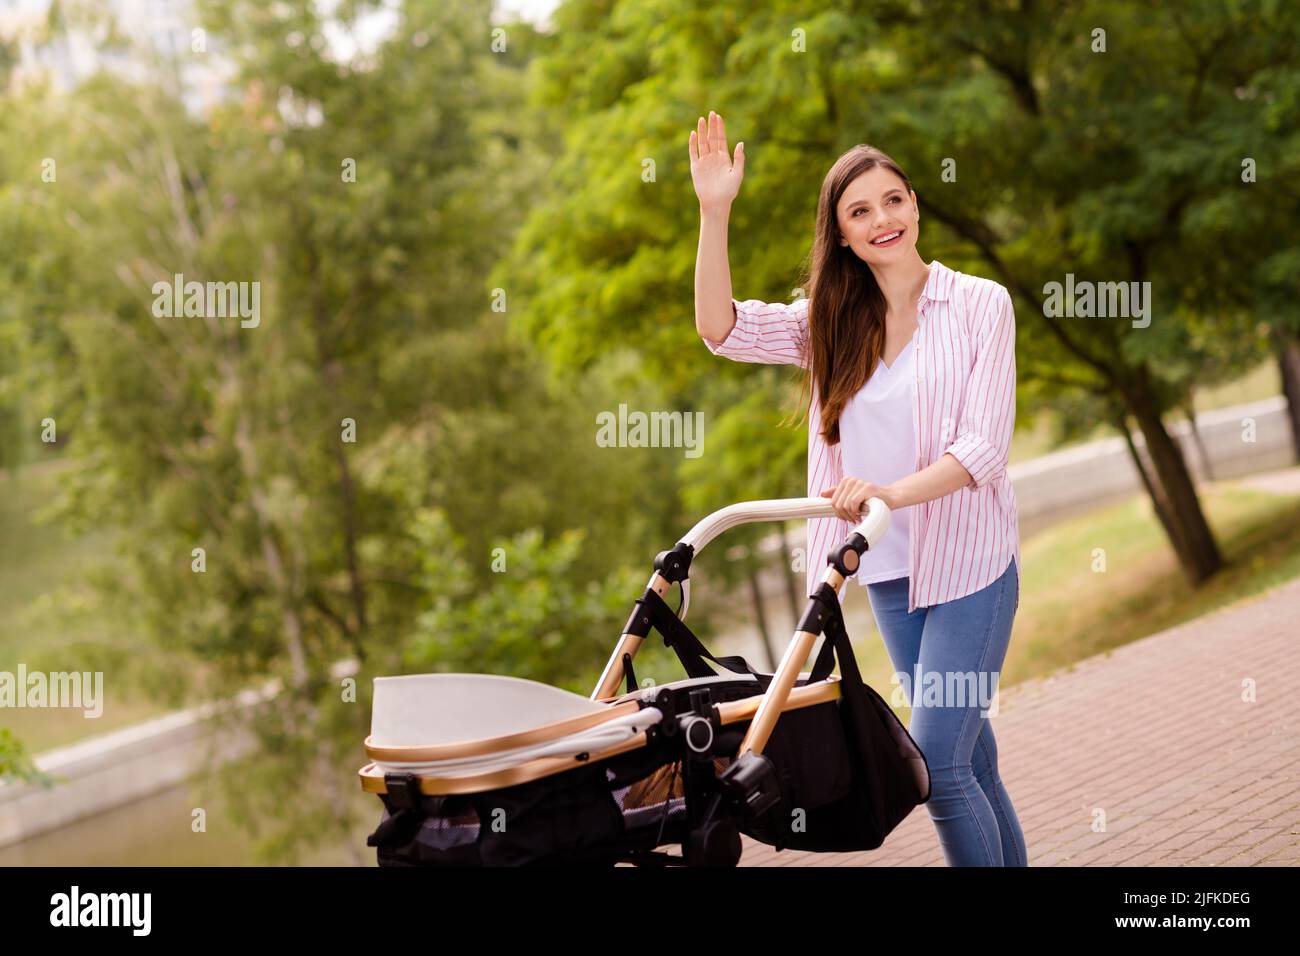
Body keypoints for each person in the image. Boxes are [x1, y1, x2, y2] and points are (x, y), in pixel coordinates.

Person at [689, 111, 1027, 866]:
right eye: (860, 211)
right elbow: (722, 329)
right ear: (841, 234)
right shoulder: (830, 322)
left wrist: (884, 496)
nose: (883, 220)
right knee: (972, 763)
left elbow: (982, 451)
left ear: (915, 205)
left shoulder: (981, 305)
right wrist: (716, 213)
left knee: (937, 767)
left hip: (973, 566)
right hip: (890, 573)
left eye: (894, 200)